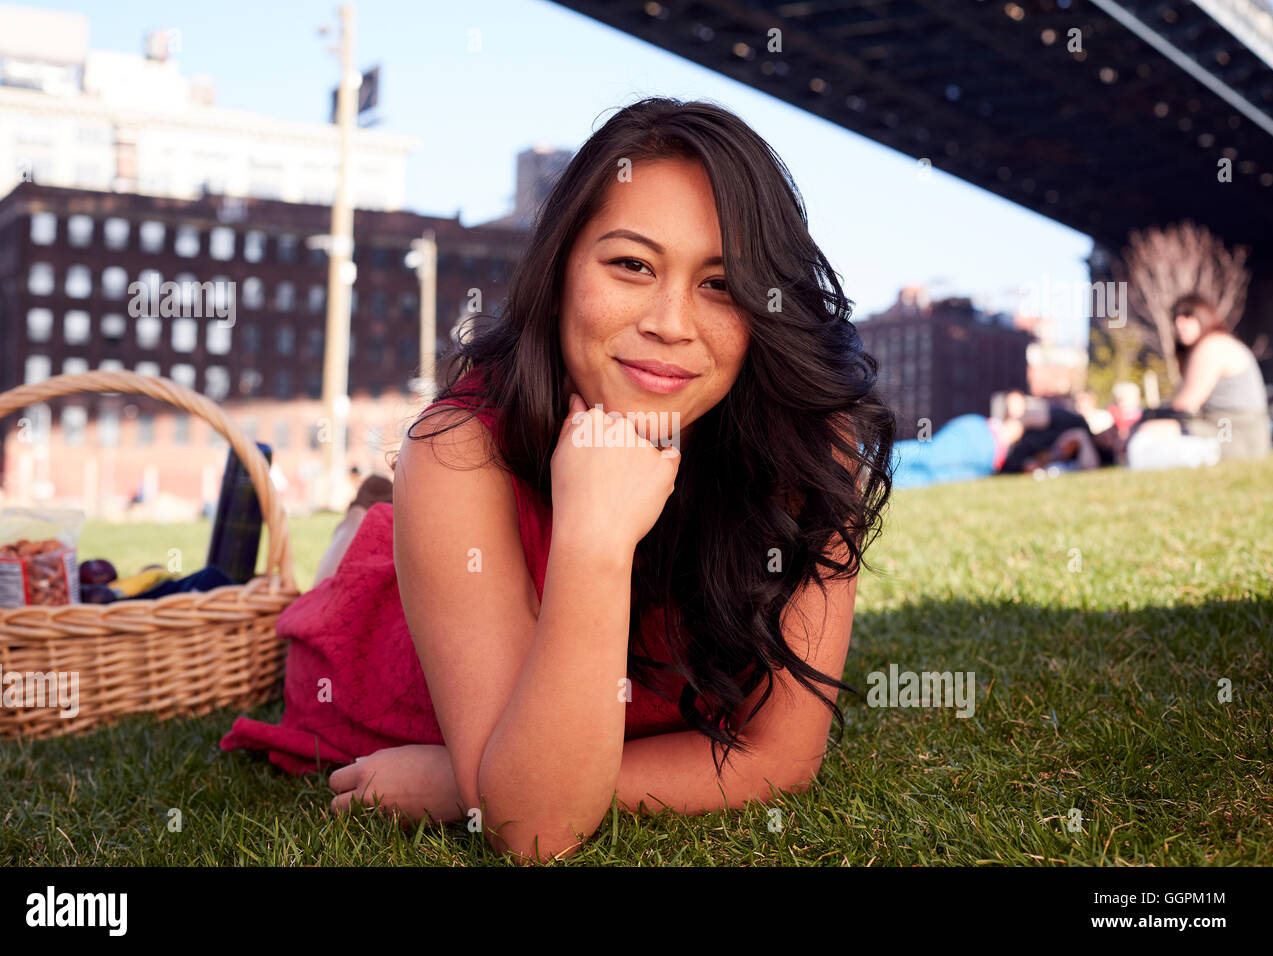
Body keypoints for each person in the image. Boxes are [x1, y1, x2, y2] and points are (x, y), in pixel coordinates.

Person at [220, 97, 895, 863]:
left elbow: (776, 760)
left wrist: (468, 784)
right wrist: (595, 538)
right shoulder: (458, 449)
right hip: (406, 655)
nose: (671, 322)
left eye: (720, 283)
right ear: (563, 269)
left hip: (518, 713)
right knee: (374, 549)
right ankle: (363, 535)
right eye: (632, 265)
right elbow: (538, 831)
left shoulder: (810, 447)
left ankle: (370, 522)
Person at [1127, 294, 1272, 468]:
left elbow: (1186, 404)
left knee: (1141, 442)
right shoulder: (1219, 343)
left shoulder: (1212, 346)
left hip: (1231, 435)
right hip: (1243, 436)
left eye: (1188, 316)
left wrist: (1144, 419)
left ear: (1203, 317)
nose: (1180, 324)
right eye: (1176, 318)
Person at [890, 413, 1023, 489]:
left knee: (933, 475)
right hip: (957, 445)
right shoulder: (984, 425)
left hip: (966, 462)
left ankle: (887, 480)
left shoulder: (1000, 456)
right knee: (926, 455)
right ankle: (878, 461)